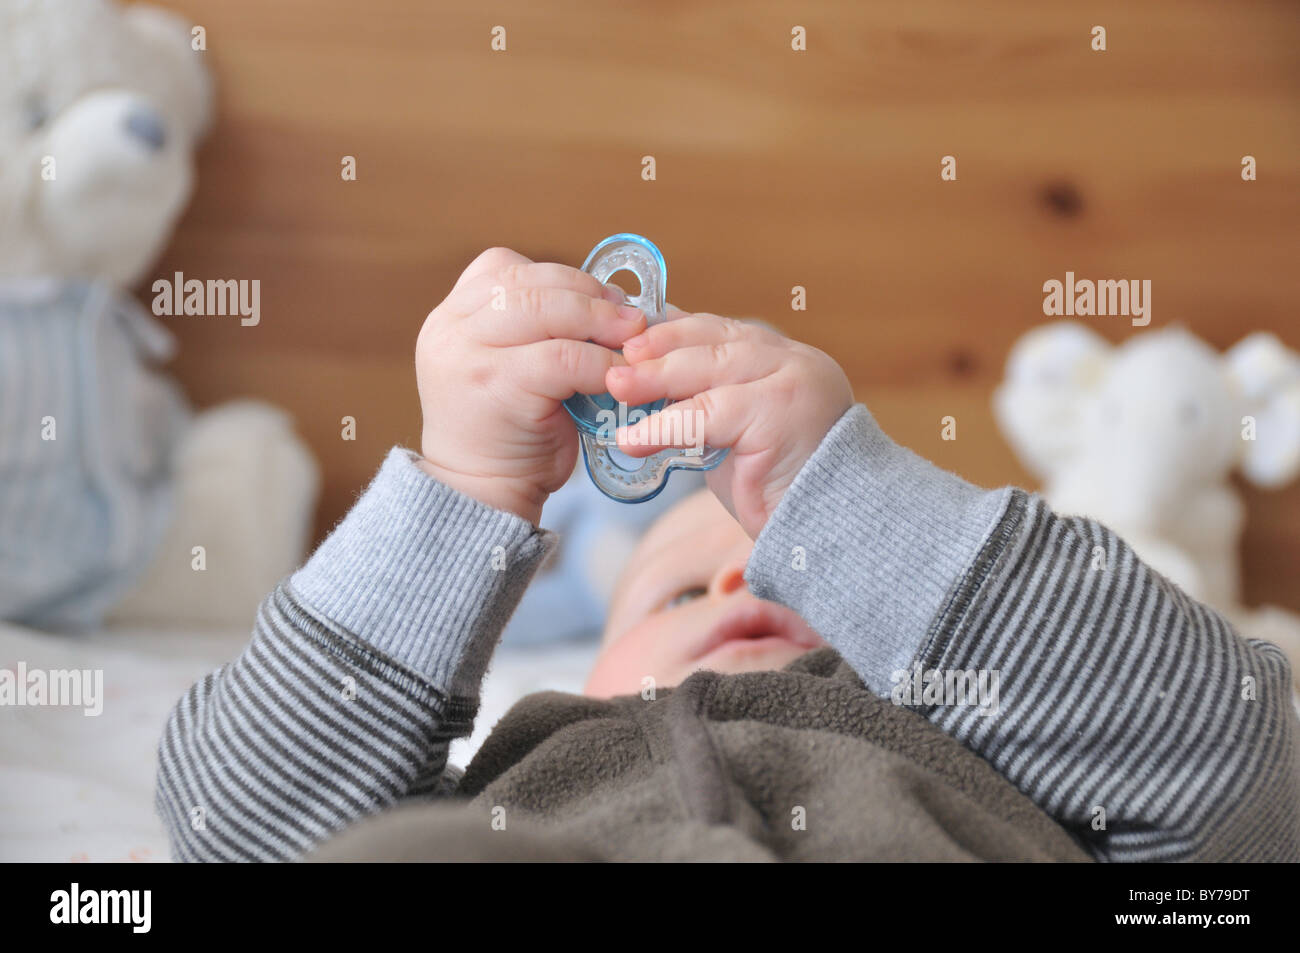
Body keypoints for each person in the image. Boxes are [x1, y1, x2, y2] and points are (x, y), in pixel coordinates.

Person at [155, 247, 1300, 862]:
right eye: (675, 588)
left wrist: (844, 498)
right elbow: (238, 826)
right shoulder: (518, 775)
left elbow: (1248, 766)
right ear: (590, 668)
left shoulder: (1019, 763)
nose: (744, 577)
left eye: (813, 569)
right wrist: (464, 492)